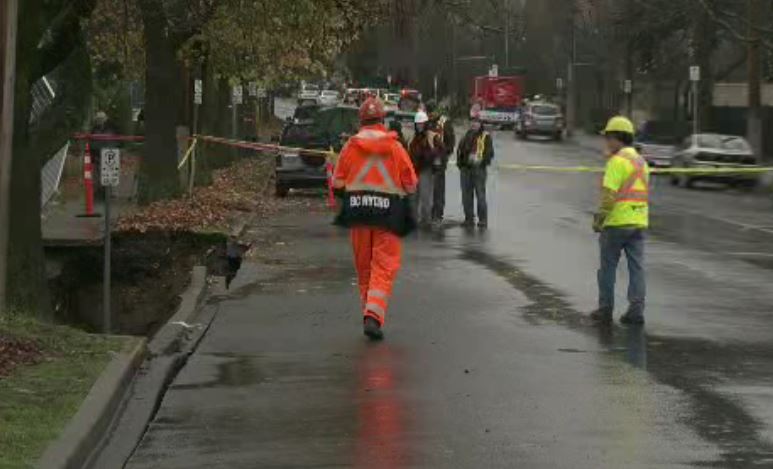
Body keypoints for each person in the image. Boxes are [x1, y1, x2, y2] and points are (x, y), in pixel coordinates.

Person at [333, 97, 418, 340]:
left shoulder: (350, 146)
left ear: (361, 120)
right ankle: (373, 315)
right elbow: (411, 184)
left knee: (364, 267)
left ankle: (368, 314)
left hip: (359, 213)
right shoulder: (395, 147)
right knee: (384, 265)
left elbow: (337, 183)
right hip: (388, 215)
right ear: (383, 120)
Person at [590, 116, 650, 325]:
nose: (606, 142)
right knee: (637, 268)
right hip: (639, 221)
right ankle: (636, 310)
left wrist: (599, 219)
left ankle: (605, 309)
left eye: (608, 138)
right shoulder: (641, 162)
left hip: (616, 222)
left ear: (617, 138)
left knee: (607, 268)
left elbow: (609, 197)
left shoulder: (616, 162)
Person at [456, 115, 494, 228]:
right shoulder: (466, 134)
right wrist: (460, 164)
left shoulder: (486, 136)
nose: (474, 124)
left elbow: (489, 154)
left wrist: (481, 161)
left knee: (480, 195)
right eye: (472, 122)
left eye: (477, 122)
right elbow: (460, 151)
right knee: (466, 196)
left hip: (479, 170)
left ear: (481, 124)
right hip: (465, 169)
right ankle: (469, 219)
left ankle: (482, 220)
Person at [408, 111, 445, 227]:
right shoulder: (412, 137)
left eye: (421, 124)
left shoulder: (432, 136)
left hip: (426, 170)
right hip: (414, 171)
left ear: (425, 124)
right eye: (417, 124)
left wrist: (431, 156)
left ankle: (426, 222)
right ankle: (414, 221)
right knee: (413, 199)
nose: (419, 126)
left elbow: (441, 151)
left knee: (425, 199)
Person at [425, 101, 456, 224]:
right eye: (429, 111)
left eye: (432, 111)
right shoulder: (426, 121)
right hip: (426, 160)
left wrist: (443, 155)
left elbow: (450, 142)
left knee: (438, 188)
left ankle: (438, 214)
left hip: (439, 160)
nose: (430, 113)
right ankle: (428, 213)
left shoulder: (444, 122)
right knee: (427, 188)